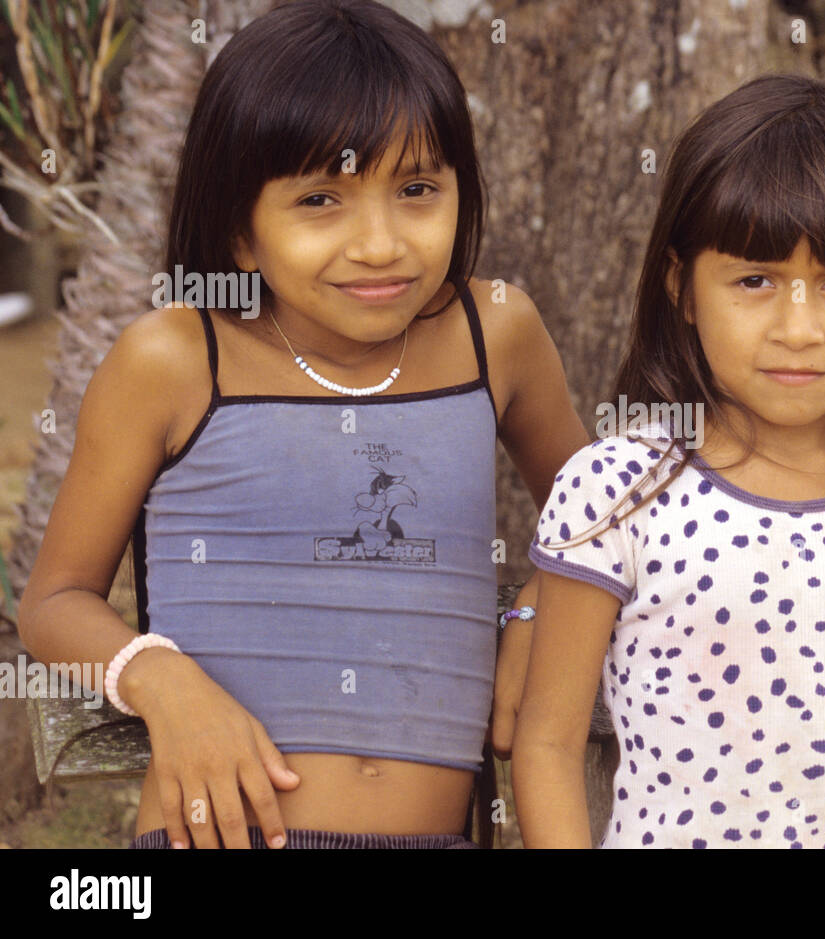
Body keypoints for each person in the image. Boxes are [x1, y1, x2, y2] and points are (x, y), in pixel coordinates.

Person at [17, 0, 587, 849]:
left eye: (418, 189)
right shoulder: (175, 358)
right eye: (321, 199)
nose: (380, 243)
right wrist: (162, 679)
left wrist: (541, 608)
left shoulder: (493, 334)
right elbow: (54, 602)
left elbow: (600, 525)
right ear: (241, 231)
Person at [512, 74, 825, 848]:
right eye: (754, 281)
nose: (797, 328)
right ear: (683, 288)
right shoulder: (619, 488)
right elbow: (547, 744)